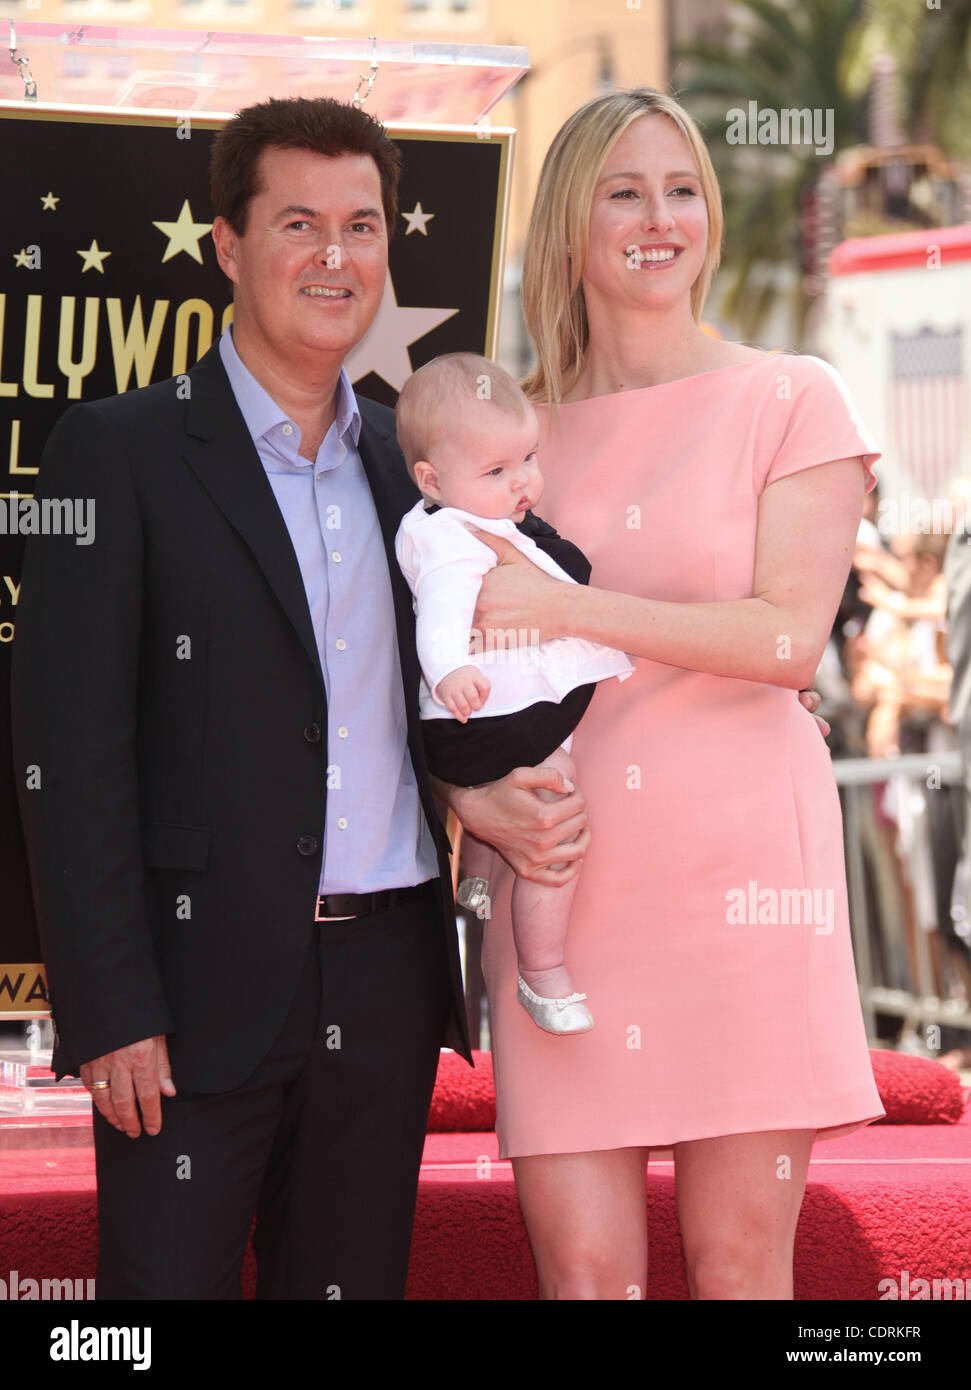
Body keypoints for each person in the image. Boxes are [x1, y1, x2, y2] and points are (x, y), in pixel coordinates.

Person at [9, 96, 581, 1300]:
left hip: (381, 985)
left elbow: (444, 692)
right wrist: (109, 1005)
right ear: (226, 244)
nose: (336, 257)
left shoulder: (414, 470)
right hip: (187, 992)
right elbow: (69, 751)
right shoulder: (117, 453)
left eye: (362, 225)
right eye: (299, 224)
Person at [434, 88, 886, 1300]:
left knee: (739, 1267)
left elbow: (787, 638)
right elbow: (432, 658)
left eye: (681, 188)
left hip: (741, 887)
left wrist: (573, 607)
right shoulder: (505, 434)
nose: (658, 217)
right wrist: (469, 799)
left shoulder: (790, 397)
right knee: (583, 1277)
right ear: (571, 221)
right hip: (562, 898)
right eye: (623, 191)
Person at [394, 353, 633, 1033]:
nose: (522, 480)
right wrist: (447, 670)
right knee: (553, 812)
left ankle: (475, 874)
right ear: (431, 479)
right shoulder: (452, 539)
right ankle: (542, 971)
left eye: (526, 457)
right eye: (495, 472)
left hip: (486, 713)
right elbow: (439, 614)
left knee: (526, 781)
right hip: (483, 712)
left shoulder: (475, 517)